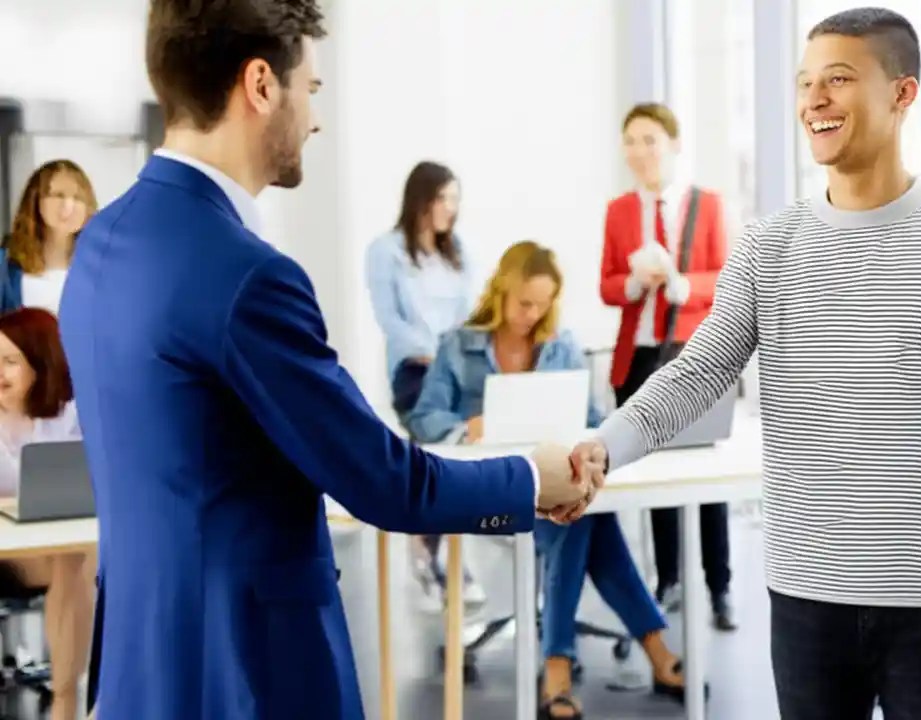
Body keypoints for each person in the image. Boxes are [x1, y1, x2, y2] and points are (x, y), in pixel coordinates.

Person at [57, 3, 592, 719]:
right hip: (250, 674)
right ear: (260, 84)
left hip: (140, 669)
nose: (317, 117)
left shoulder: (99, 243)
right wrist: (531, 478)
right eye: (312, 88)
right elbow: (382, 483)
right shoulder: (247, 276)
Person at [571, 8, 921, 718]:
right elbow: (697, 373)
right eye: (805, 83)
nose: (813, 100)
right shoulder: (768, 246)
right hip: (803, 593)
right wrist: (602, 449)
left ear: (902, 93)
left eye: (839, 79)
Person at [407, 241, 695, 720]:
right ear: (501, 291)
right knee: (579, 519)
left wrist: (589, 447)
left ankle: (567, 663)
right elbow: (423, 416)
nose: (531, 314)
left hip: (552, 484)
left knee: (577, 513)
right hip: (492, 491)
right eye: (524, 303)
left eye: (542, 304)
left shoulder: (560, 344)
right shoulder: (458, 345)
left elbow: (592, 417)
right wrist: (467, 427)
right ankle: (625, 652)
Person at [599, 102, 735, 630]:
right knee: (653, 471)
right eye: (630, 140)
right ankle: (669, 581)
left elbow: (724, 275)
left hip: (695, 356)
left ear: (674, 143)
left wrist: (683, 284)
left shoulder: (708, 204)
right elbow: (607, 285)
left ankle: (718, 585)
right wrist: (635, 284)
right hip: (639, 357)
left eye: (649, 139)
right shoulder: (618, 211)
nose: (639, 151)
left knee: (705, 477)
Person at [365, 160, 483, 611]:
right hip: (414, 370)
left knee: (459, 460)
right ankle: (428, 557)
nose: (450, 209)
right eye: (443, 198)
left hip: (455, 367)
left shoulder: (460, 253)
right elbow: (389, 318)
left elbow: (469, 314)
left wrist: (455, 357)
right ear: (421, 199)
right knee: (432, 457)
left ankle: (447, 556)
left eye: (455, 199)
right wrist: (432, 354)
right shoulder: (386, 251)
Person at [0, 308, 92, 720]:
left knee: (75, 556)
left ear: (41, 363)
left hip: (50, 548)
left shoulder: (70, 417)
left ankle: (66, 699)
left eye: (10, 361)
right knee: (76, 560)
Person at [0, 159, 97, 314]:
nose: (68, 207)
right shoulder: (5, 264)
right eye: (58, 195)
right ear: (35, 199)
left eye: (78, 198)